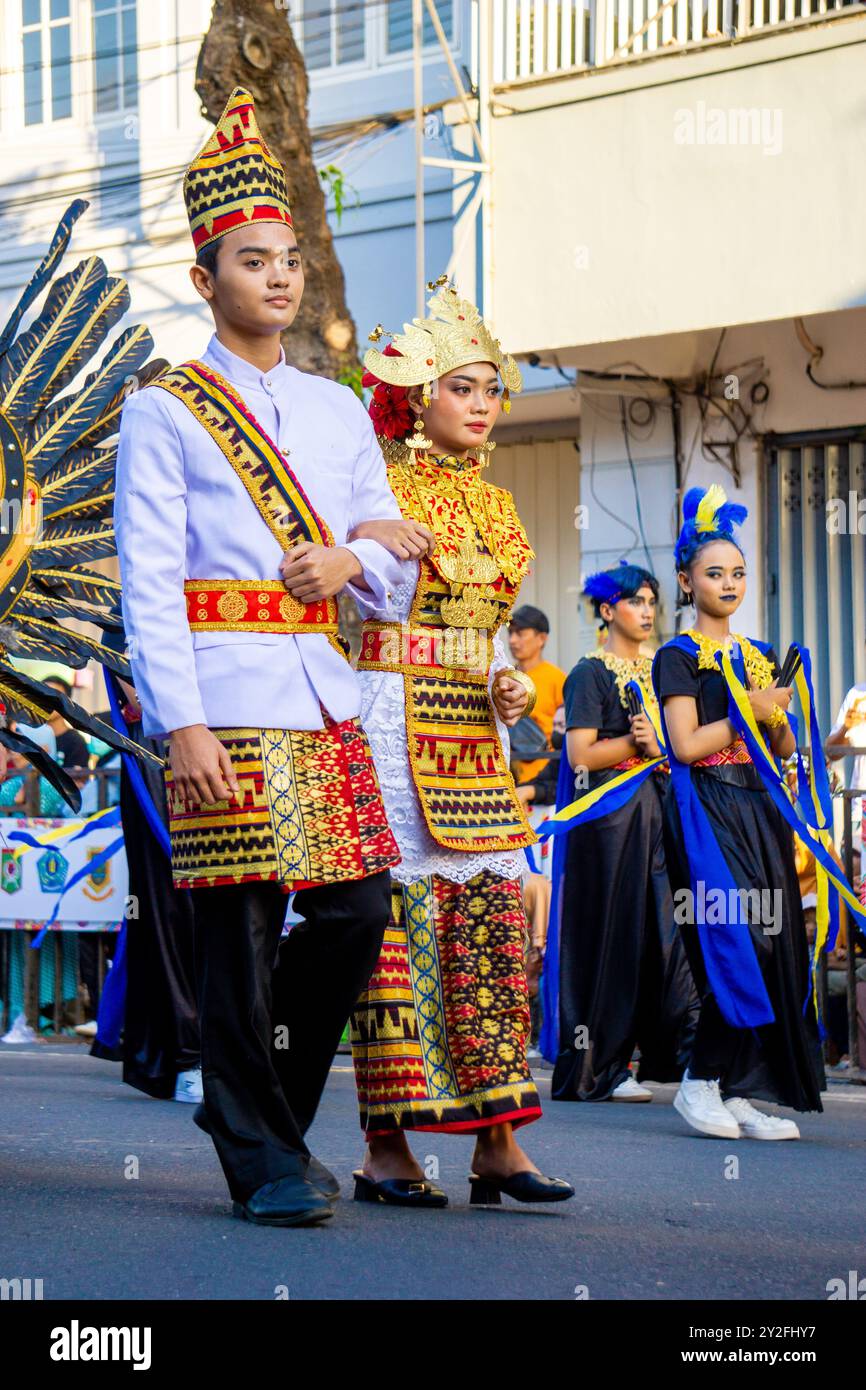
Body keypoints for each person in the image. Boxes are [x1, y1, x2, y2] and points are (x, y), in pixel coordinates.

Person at [114, 87, 415, 1228]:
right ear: (207, 279)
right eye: (253, 260)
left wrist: (348, 562)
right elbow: (147, 578)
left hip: (322, 691)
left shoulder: (339, 409)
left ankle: (255, 1108)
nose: (279, 278)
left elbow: (392, 549)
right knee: (235, 926)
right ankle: (261, 1152)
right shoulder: (167, 409)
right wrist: (177, 721)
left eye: (288, 258)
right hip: (223, 693)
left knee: (353, 909)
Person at [346, 277, 574, 1208]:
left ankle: (498, 1145)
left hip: (472, 741)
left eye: (491, 391)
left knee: (485, 931)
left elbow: (484, 642)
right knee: (393, 938)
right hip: (391, 721)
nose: (482, 406)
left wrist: (506, 682)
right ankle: (386, 1150)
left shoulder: (502, 510)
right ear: (417, 398)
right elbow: (348, 617)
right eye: (463, 389)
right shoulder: (374, 487)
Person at [654, 484, 824, 1141]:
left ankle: (740, 1087)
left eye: (738, 573)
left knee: (777, 941)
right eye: (714, 573)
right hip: (708, 812)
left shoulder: (754, 653)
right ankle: (699, 1082)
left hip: (760, 808)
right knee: (737, 940)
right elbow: (687, 745)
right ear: (687, 580)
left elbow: (777, 746)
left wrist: (777, 715)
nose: (729, 583)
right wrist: (746, 709)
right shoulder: (679, 656)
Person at [543, 565, 697, 1103]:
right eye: (635, 601)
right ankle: (596, 1068)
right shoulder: (590, 673)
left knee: (666, 934)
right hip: (608, 824)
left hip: (657, 815)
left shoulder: (663, 669)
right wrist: (636, 746)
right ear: (608, 611)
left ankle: (671, 1059)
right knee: (608, 937)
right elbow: (581, 754)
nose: (648, 610)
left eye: (652, 599)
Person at [509, 605, 566, 783]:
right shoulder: (504, 677)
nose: (512, 640)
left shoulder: (557, 679)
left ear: (541, 638)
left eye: (520, 633)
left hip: (545, 778)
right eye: (510, 633)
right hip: (508, 775)